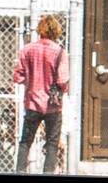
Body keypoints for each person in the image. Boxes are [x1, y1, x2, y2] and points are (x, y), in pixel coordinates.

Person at [13, 15, 69, 174]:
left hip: (32, 103)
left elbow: (18, 76)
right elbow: (63, 80)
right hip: (53, 105)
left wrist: (32, 80)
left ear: (40, 30)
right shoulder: (60, 52)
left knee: (25, 142)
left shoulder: (27, 49)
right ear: (56, 31)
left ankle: (20, 176)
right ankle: (48, 179)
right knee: (52, 143)